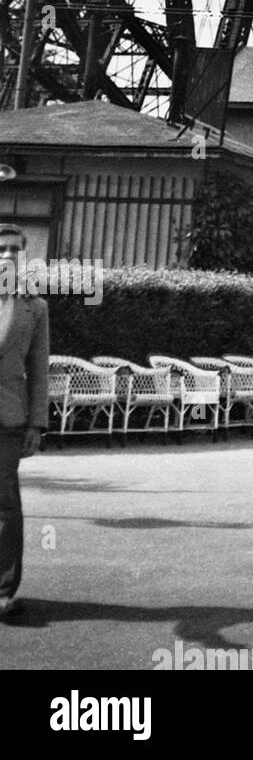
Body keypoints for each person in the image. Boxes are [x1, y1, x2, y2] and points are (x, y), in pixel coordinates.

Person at [0, 225, 48, 620]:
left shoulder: (36, 306)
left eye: (15, 249)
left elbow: (38, 369)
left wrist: (36, 423)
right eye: (1, 248)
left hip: (8, 419)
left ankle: (3, 592)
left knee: (5, 507)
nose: (7, 255)